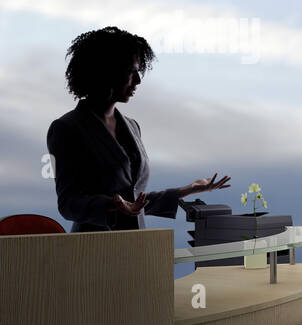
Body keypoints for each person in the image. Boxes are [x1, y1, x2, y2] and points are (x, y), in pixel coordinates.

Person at [46, 27, 231, 232]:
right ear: (107, 72)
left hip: (137, 247)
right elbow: (68, 204)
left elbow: (136, 202)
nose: (138, 80)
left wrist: (188, 189)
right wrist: (111, 205)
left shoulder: (132, 127)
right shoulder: (66, 129)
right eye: (131, 72)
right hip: (94, 249)